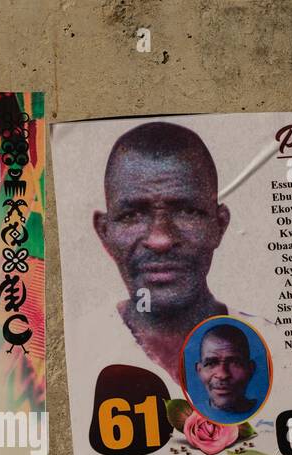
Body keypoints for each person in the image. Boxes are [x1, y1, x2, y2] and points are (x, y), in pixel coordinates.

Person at [93, 121, 237, 382]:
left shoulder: (279, 346)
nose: (160, 239)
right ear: (105, 233)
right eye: (132, 215)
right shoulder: (74, 350)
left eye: (187, 212)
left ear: (220, 224)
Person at [196, 322, 260, 418]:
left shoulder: (269, 409)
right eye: (211, 363)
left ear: (250, 369)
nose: (223, 374)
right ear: (199, 370)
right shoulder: (191, 413)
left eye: (235, 363)